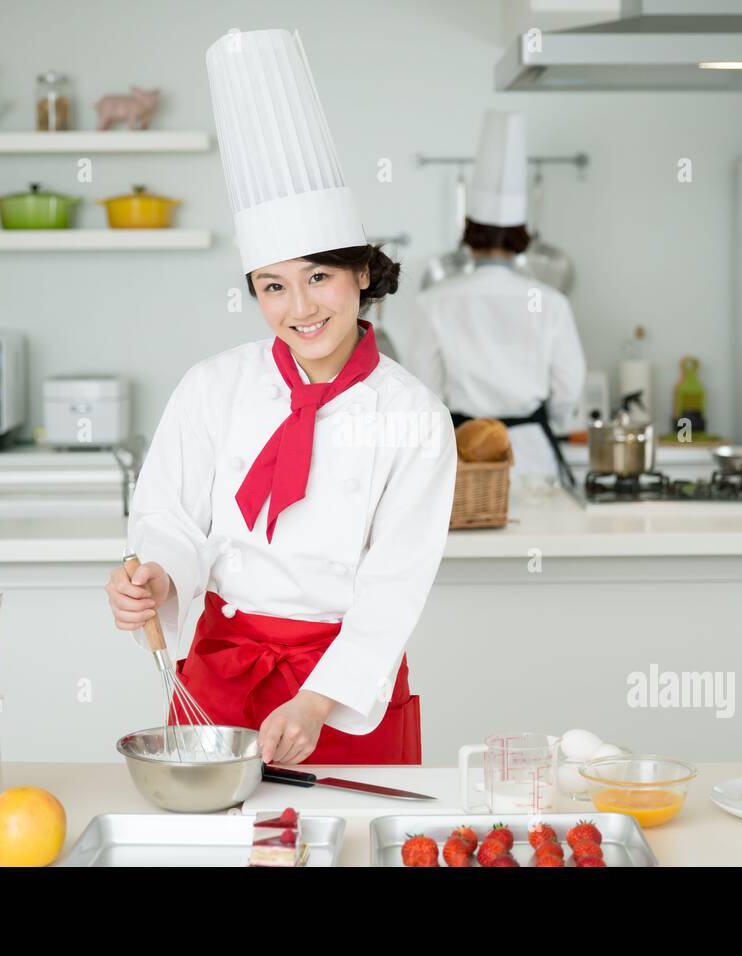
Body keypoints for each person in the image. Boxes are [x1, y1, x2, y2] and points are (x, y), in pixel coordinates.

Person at [105, 28, 456, 767]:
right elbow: (168, 514)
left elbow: (395, 584)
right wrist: (156, 574)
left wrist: (320, 698)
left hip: (343, 692)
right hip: (218, 679)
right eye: (273, 285)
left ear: (363, 274)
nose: (300, 307)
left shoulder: (413, 417)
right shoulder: (214, 386)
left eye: (319, 276)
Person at [411, 110, 586, 488]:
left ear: (468, 233)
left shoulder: (435, 301)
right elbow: (569, 386)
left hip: (465, 453)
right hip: (534, 458)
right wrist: (540, 421)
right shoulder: (551, 302)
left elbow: (426, 389)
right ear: (523, 235)